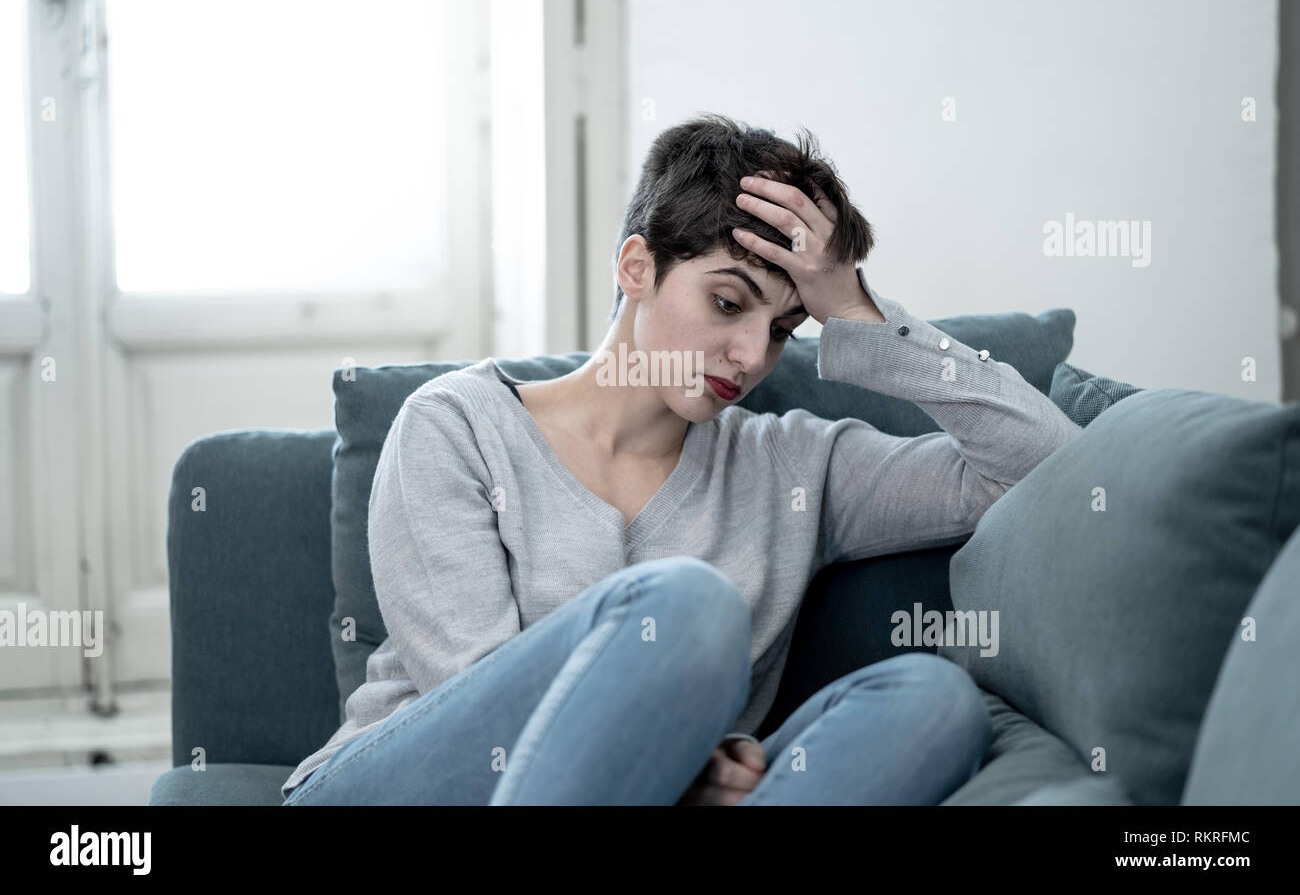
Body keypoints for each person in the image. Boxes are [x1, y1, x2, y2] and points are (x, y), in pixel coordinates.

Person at [281, 113, 1082, 805]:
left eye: (782, 327)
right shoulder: (456, 425)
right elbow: (481, 709)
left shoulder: (795, 469)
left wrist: (854, 307)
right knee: (682, 607)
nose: (749, 352)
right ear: (637, 267)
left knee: (933, 700)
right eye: (728, 303)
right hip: (407, 787)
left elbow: (1041, 462)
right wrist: (673, 769)